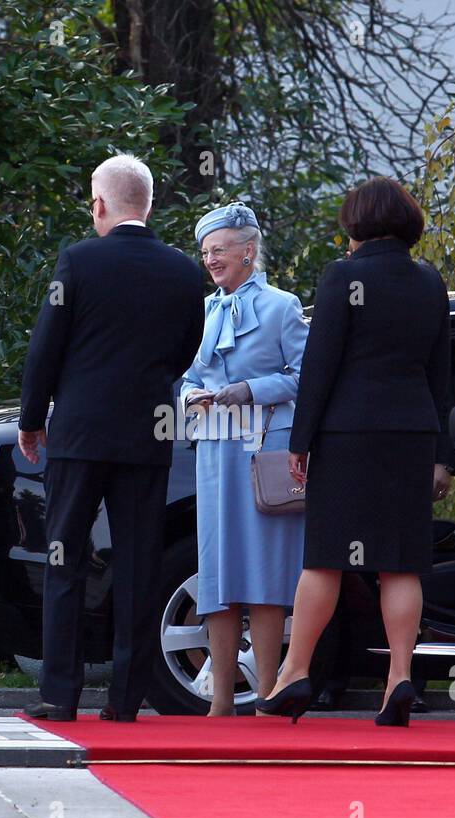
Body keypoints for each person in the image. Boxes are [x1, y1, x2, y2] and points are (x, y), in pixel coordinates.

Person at [259, 176, 455, 726]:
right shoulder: (429, 281)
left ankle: (295, 671)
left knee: (325, 557)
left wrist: (300, 441)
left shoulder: (342, 276)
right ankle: (399, 678)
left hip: (349, 435)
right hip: (411, 436)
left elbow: (318, 366)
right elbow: (441, 374)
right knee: (400, 564)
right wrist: (442, 452)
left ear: (358, 222)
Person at [18, 155, 203, 722]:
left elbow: (47, 344)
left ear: (100, 205)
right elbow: (185, 350)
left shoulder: (78, 260)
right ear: (147, 204)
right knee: (140, 565)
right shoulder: (183, 270)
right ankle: (126, 700)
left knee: (64, 560)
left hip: (78, 432)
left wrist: (31, 417)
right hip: (149, 434)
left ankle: (58, 693)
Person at [180, 203, 309, 716]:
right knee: (219, 573)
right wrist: (190, 397)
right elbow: (187, 377)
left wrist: (249, 389)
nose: (211, 260)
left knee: (265, 574)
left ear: (248, 251)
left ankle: (270, 693)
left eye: (220, 250)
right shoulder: (202, 311)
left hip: (264, 456)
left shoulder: (282, 305)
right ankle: (221, 698)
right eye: (206, 252)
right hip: (214, 453)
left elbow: (306, 377)